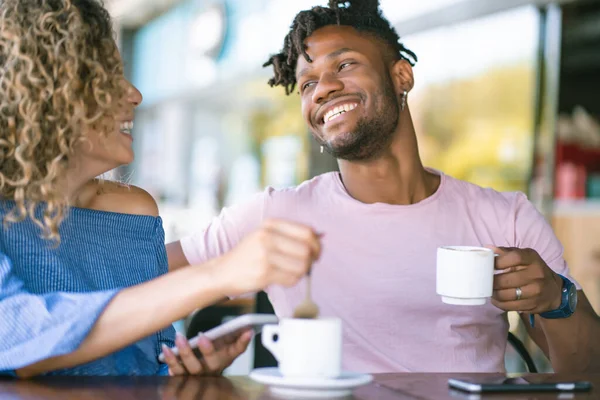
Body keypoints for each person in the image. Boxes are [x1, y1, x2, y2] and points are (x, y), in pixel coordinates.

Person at [168, 0, 600, 373]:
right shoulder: (275, 216)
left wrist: (557, 299)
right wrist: (178, 359)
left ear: (401, 76)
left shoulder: (507, 218)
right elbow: (132, 282)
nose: (324, 89)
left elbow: (587, 373)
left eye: (344, 65)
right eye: (308, 84)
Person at [0, 0, 321, 377]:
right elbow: (15, 335)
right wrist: (218, 274)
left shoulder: (135, 213)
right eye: (104, 78)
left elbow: (152, 355)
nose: (134, 94)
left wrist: (179, 369)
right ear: (47, 96)